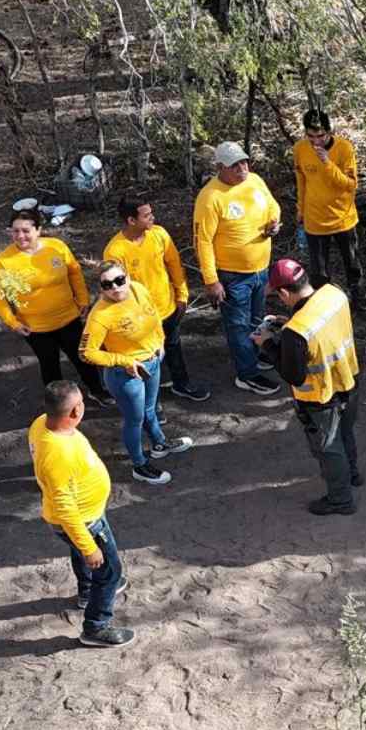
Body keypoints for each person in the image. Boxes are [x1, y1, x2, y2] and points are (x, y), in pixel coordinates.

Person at [252, 258, 363, 515]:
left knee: (328, 447)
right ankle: (353, 474)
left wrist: (267, 344)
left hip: (320, 396)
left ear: (283, 292)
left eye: (279, 296)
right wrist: (290, 320)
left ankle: (340, 499)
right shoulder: (334, 294)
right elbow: (320, 325)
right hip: (349, 378)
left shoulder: (296, 332)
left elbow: (294, 375)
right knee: (345, 432)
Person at [27, 381, 133, 647]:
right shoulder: (58, 454)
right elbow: (64, 507)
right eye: (82, 403)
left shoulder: (42, 423)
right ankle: (96, 627)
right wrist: (89, 547)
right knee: (109, 570)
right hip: (86, 521)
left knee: (80, 552)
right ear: (74, 412)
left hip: (86, 515)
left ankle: (87, 591)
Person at [80, 262, 194, 485]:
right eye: (107, 284)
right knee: (135, 419)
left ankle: (159, 444)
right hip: (125, 375)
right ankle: (139, 465)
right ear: (101, 289)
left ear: (128, 277)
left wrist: (160, 341)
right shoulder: (100, 315)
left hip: (152, 361)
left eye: (119, 280)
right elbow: (86, 352)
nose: (115, 287)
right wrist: (123, 361)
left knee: (150, 409)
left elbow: (154, 315)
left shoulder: (138, 289)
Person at [0, 209, 107, 402]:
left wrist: (83, 300)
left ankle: (97, 390)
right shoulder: (3, 262)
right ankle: (58, 405)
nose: (20, 236)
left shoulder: (57, 247)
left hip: (69, 318)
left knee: (82, 357)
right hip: (36, 328)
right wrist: (13, 322)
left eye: (26, 230)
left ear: (38, 230)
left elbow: (74, 272)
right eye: (15, 231)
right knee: (49, 365)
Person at [193, 141, 284, 395]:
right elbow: (202, 241)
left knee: (257, 318)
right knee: (238, 326)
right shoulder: (210, 197)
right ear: (220, 167)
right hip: (233, 276)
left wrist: (274, 222)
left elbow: (273, 205)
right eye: (235, 165)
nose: (242, 168)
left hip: (260, 269)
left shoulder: (254, 180)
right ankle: (247, 374)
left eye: (244, 161)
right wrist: (211, 281)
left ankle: (254, 355)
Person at [102, 198, 209, 402]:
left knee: (173, 347)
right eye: (146, 215)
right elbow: (116, 290)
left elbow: (174, 263)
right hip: (140, 317)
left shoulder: (159, 234)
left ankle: (181, 384)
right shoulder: (115, 251)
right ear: (131, 220)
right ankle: (150, 402)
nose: (153, 217)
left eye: (151, 213)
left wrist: (182, 293)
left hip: (167, 307)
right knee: (146, 358)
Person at [292, 109, 363, 307]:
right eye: (310, 136)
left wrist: (327, 163)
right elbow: (301, 181)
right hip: (315, 219)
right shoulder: (300, 149)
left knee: (352, 264)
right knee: (318, 270)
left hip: (343, 218)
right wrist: (301, 208)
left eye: (320, 136)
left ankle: (358, 297)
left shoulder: (344, 149)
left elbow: (350, 184)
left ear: (329, 132)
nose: (315, 141)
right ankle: (323, 306)